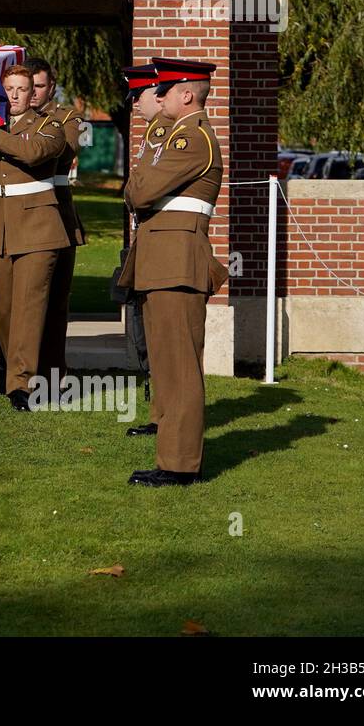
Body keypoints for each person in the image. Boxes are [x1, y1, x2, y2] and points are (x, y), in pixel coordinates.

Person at [118, 58, 226, 486]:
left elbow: (139, 191)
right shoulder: (175, 135)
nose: (156, 96)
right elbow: (137, 190)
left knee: (179, 368)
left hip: (177, 262)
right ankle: (172, 453)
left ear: (187, 94)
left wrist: (138, 181)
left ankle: (181, 465)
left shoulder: (192, 139)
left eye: (166, 89)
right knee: (165, 363)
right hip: (162, 261)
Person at [0, 64, 69, 411]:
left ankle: (22, 386)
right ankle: (13, 369)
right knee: (4, 308)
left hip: (37, 230)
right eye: (8, 88)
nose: (13, 95)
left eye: (21, 89)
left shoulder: (49, 125)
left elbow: (33, 153)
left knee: (29, 308)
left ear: (33, 94)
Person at [27, 58, 86, 387]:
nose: (33, 93)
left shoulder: (67, 116)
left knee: (55, 298)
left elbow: (66, 148)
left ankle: (51, 372)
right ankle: (16, 369)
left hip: (57, 212)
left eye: (39, 86)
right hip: (19, 212)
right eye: (28, 85)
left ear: (52, 87)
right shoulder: (12, 115)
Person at [119, 62, 167, 435]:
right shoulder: (153, 133)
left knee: (162, 339)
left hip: (163, 246)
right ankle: (158, 414)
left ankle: (164, 417)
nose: (135, 103)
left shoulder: (167, 134)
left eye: (140, 95)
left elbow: (140, 191)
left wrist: (132, 193)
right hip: (146, 241)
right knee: (145, 332)